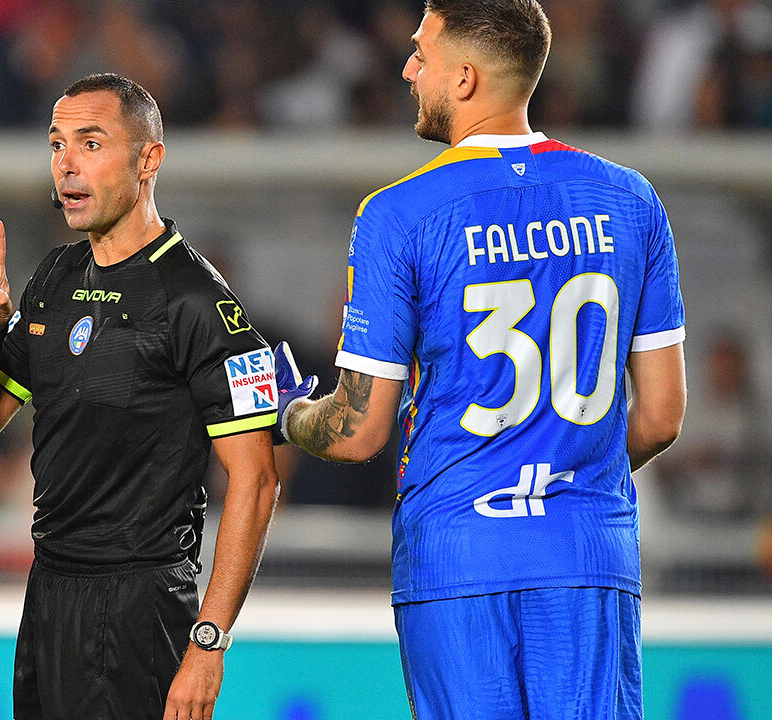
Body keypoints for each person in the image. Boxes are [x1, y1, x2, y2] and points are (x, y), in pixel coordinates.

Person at [276, 1, 687, 718]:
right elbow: (658, 419)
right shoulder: (631, 201)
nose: (407, 70)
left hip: (457, 558)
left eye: (421, 55)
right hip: (587, 556)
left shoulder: (397, 214)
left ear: (463, 78)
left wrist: (288, 413)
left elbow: (360, 429)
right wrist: (566, 471)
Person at [0, 73, 282, 720]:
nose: (66, 164)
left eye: (91, 143)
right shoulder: (55, 276)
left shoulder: (196, 301)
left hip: (141, 605)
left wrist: (208, 643)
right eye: (56, 144)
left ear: (148, 159)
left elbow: (258, 480)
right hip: (48, 591)